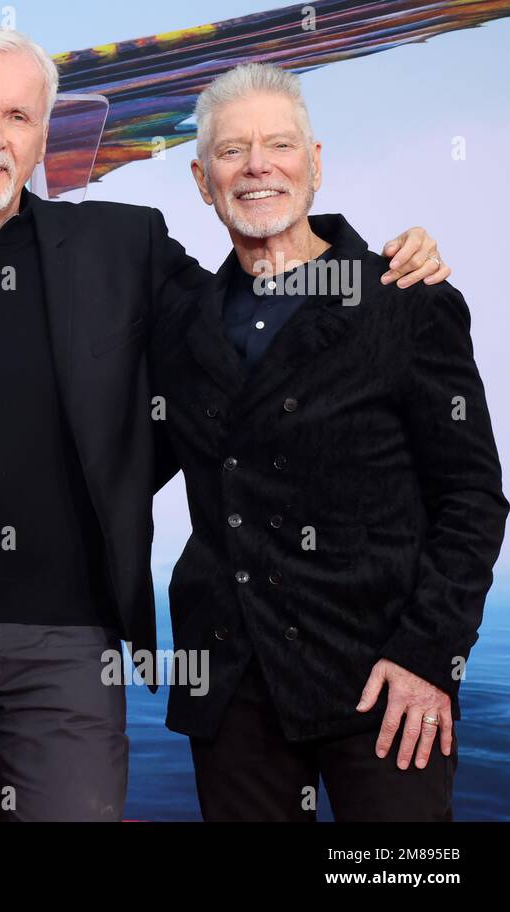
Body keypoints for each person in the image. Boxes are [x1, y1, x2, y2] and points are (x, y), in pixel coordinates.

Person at [0, 26, 451, 821]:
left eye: (18, 116)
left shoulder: (124, 244)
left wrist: (380, 268)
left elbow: (262, 295)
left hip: (73, 643)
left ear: (44, 135)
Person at [148, 62, 507, 821]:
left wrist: (427, 655)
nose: (257, 166)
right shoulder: (180, 323)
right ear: (201, 178)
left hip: (384, 674)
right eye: (232, 150)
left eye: (279, 145)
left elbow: (473, 498)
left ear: (315, 163)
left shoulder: (405, 301)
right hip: (232, 678)